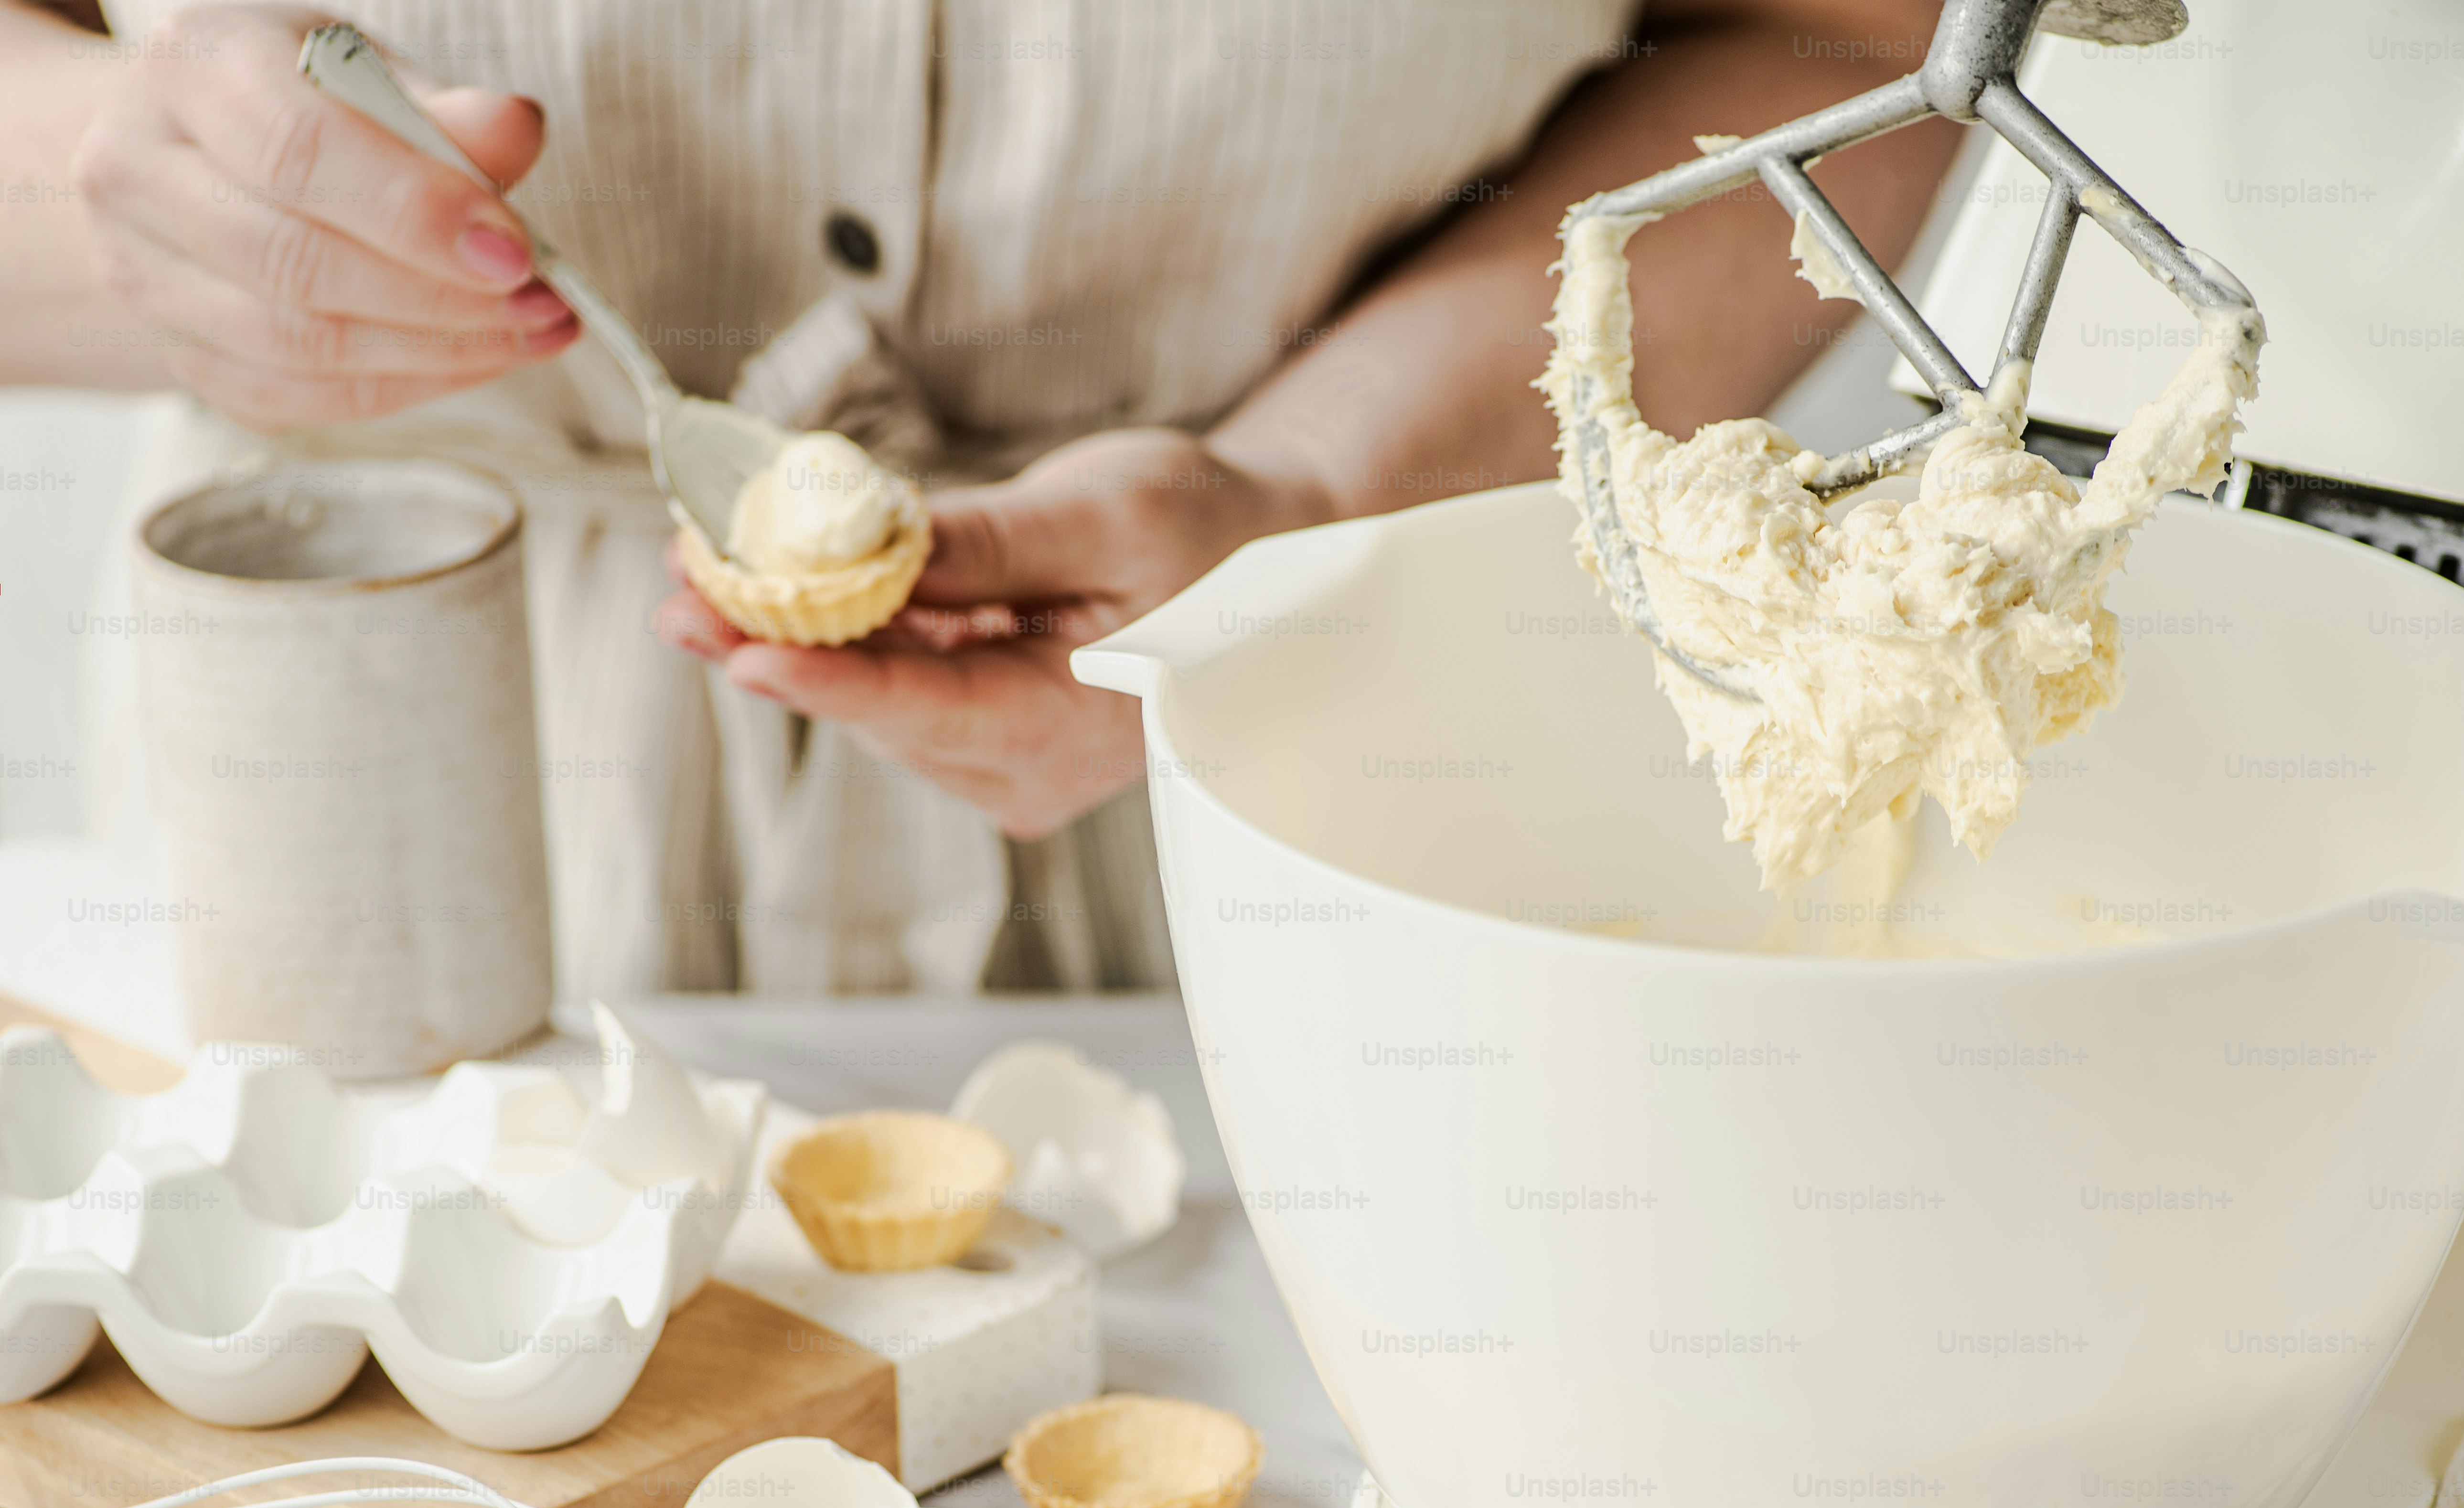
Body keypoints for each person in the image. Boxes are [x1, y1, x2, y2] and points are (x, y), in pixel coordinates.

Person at [0, 0, 1950, 996]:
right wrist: (123, 191)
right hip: (357, 766)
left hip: (1335, 762)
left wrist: (1309, 486)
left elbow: (1851, 49)